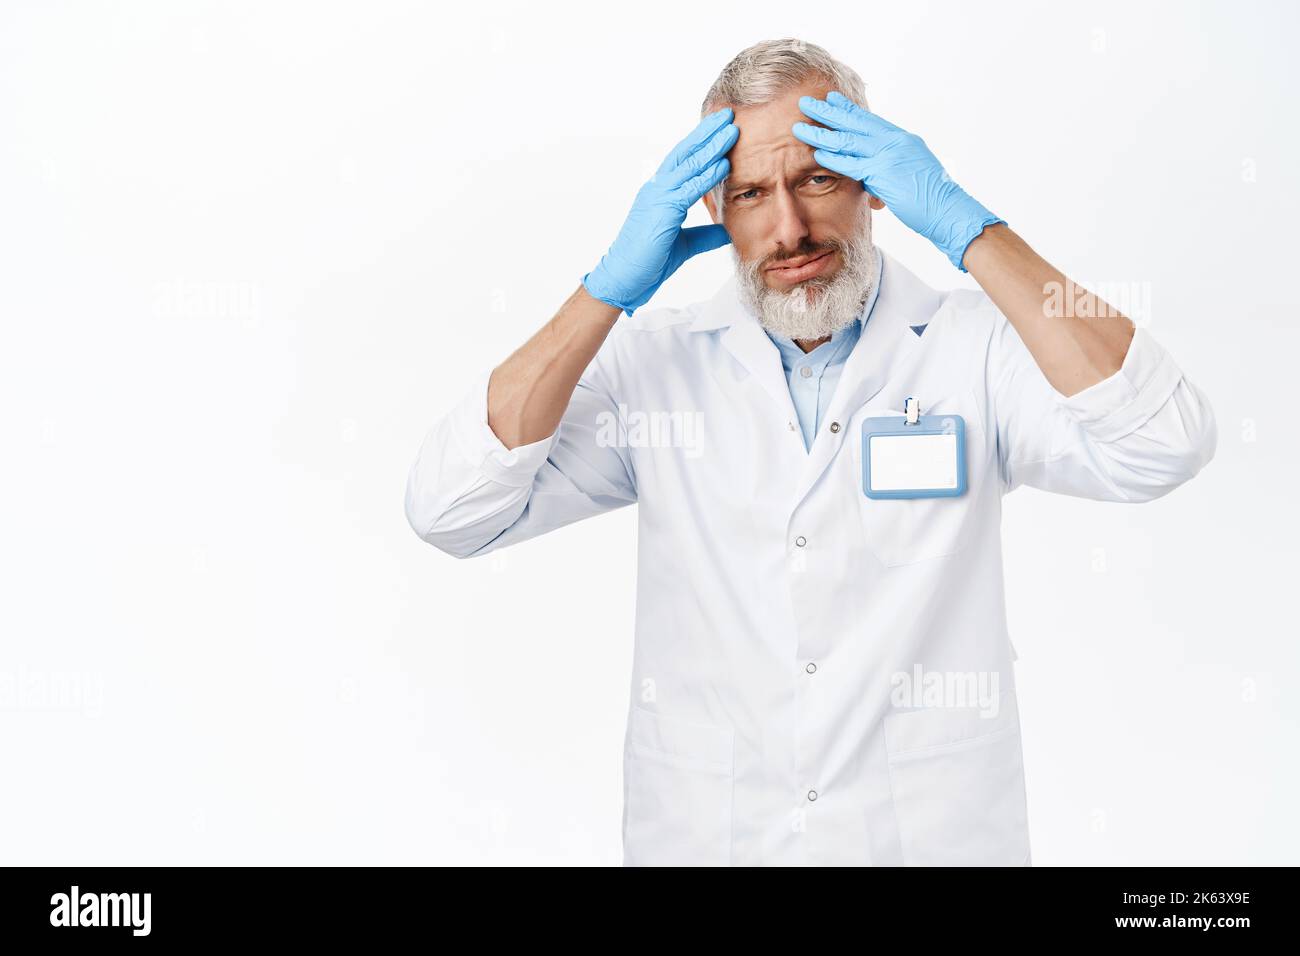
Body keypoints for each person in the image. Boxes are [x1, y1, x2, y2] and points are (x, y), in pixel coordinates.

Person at [404, 38, 1217, 866]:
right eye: (750, 193)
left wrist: (973, 231)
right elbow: (449, 510)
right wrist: (602, 295)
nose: (788, 229)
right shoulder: (654, 366)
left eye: (818, 178)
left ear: (877, 184)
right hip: (710, 838)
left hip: (929, 840)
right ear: (713, 211)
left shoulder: (976, 349)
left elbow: (1164, 440)